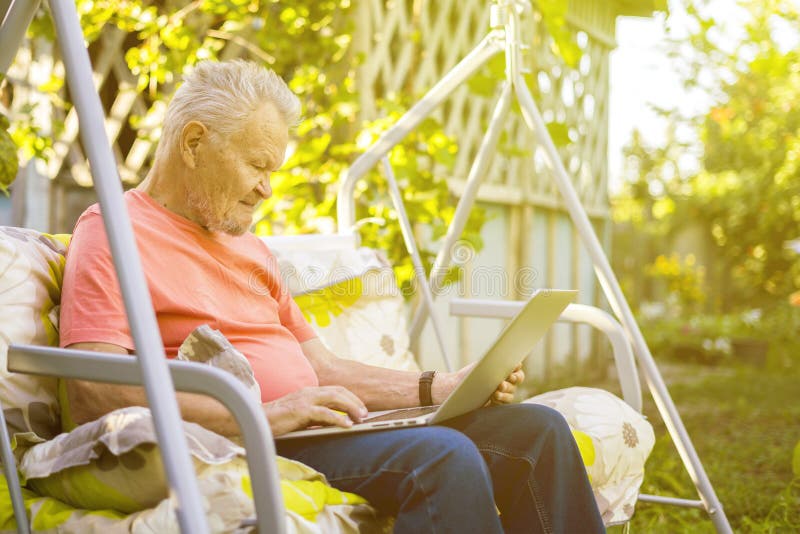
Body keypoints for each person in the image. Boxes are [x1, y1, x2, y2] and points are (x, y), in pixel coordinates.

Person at [59, 59, 605, 533]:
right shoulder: (112, 232)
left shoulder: (249, 248)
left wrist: (442, 387)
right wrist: (268, 414)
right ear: (195, 142)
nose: (267, 188)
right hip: (252, 441)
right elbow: (93, 391)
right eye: (257, 165)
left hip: (313, 428)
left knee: (540, 433)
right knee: (444, 458)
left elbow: (322, 367)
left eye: (273, 171)